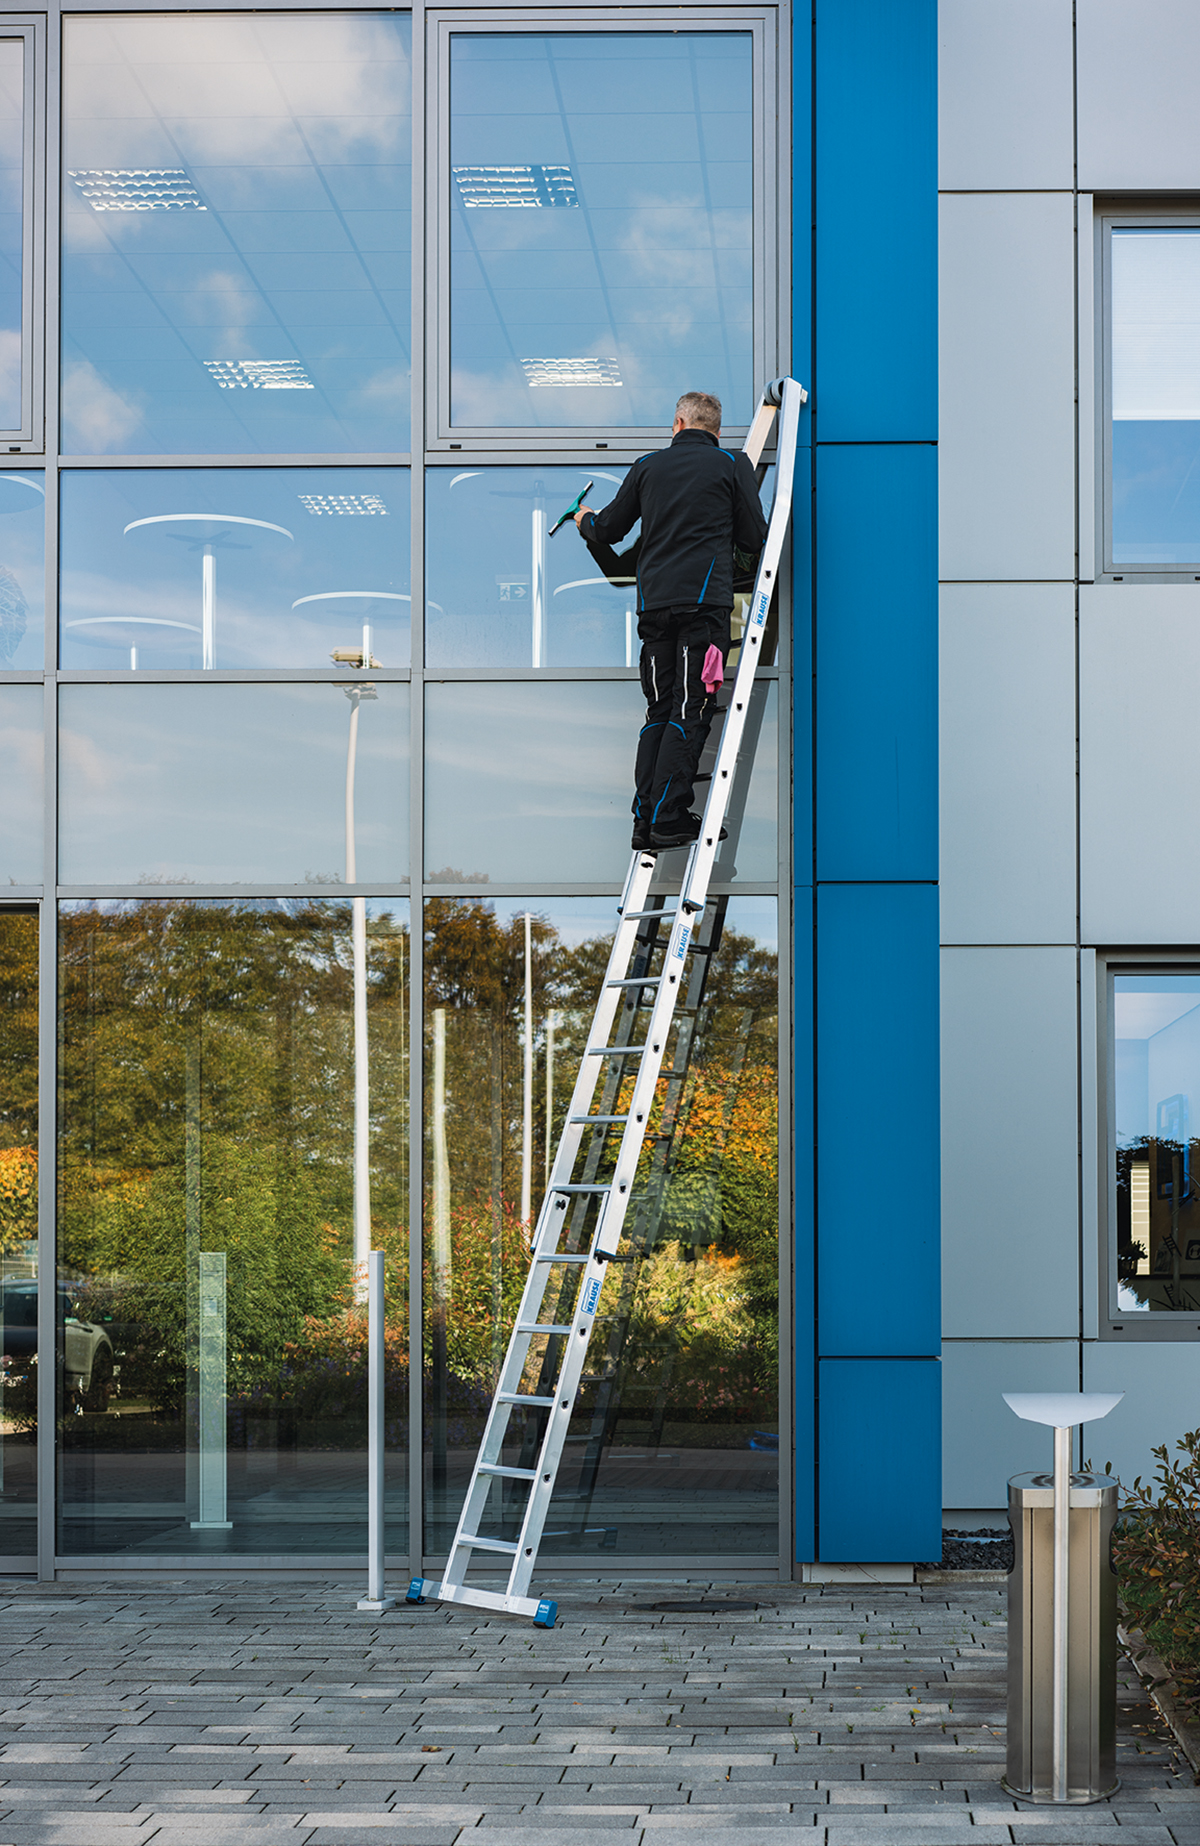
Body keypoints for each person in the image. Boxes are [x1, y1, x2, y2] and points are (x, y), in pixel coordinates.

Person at [574, 390, 767, 851]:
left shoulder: (647, 466)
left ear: (678, 423)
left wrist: (583, 519)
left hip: (654, 611)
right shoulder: (732, 464)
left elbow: (608, 530)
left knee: (659, 711)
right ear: (716, 429)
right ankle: (669, 817)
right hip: (702, 609)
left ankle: (645, 820)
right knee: (691, 708)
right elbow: (754, 536)